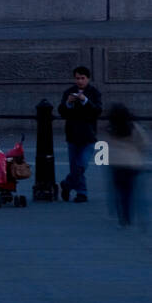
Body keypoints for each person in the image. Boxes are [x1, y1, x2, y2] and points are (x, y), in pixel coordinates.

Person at [58, 65, 102, 203]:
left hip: (89, 136)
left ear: (88, 79)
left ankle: (67, 184)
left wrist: (84, 100)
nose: (80, 81)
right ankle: (81, 193)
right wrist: (68, 103)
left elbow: (97, 111)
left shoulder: (94, 93)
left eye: (82, 78)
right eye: (77, 78)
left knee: (81, 165)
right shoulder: (69, 92)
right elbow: (62, 112)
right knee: (75, 165)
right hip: (72, 134)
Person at [106, 103, 148, 227]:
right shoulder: (134, 127)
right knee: (130, 191)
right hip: (133, 163)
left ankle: (122, 215)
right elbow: (144, 143)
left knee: (119, 190)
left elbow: (105, 145)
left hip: (116, 163)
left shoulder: (110, 128)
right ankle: (129, 215)